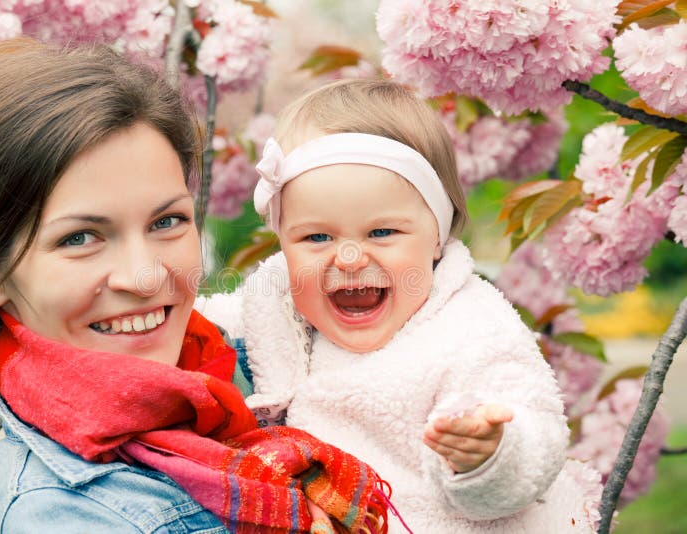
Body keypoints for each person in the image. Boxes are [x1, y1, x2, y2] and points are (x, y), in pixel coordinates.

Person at [0, 41, 392, 534]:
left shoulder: (246, 360)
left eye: (166, 221)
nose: (144, 276)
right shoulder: (68, 518)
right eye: (80, 238)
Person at [195, 78, 602, 533]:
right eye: (317, 237)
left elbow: (534, 433)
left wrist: (488, 455)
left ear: (437, 236)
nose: (349, 258)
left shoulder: (471, 329)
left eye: (382, 232)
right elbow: (199, 324)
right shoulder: (274, 301)